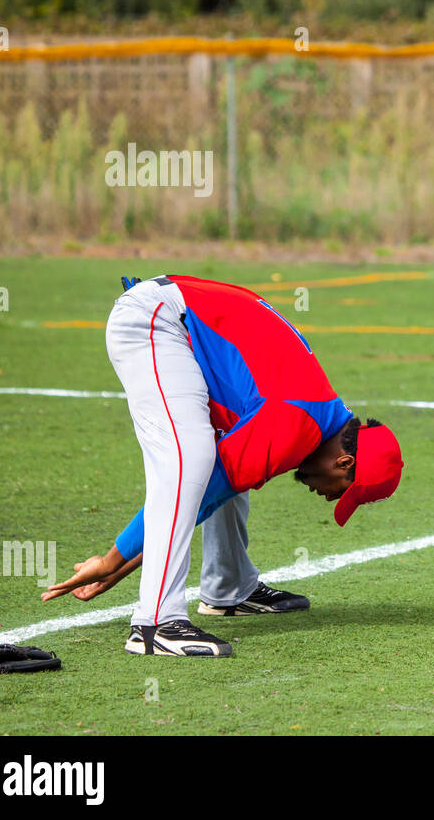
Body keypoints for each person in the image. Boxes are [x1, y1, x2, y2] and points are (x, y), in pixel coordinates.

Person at [41, 275, 404, 655]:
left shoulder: (320, 418)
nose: (330, 499)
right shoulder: (294, 422)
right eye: (342, 491)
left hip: (177, 320)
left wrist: (120, 564)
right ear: (343, 461)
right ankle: (155, 624)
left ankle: (228, 588)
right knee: (192, 461)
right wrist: (113, 561)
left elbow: (215, 492)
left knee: (222, 469)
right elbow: (200, 492)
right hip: (157, 321)